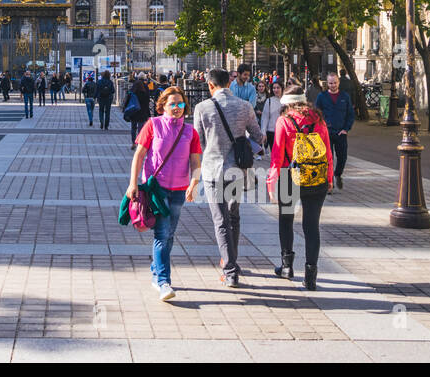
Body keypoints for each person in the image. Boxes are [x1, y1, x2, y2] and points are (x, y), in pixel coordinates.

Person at [127, 87, 202, 301]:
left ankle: (155, 270)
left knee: (169, 235)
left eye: (180, 103)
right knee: (161, 233)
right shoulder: (153, 125)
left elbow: (196, 161)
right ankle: (163, 281)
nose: (177, 107)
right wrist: (133, 183)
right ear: (163, 106)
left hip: (179, 190)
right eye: (172, 104)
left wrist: (194, 183)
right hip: (156, 190)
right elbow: (139, 156)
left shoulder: (191, 132)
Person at [193, 66, 263, 288]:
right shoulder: (245, 106)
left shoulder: (202, 108)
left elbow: (199, 142)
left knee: (220, 220)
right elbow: (259, 137)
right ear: (229, 83)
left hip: (213, 169)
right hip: (238, 170)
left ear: (211, 85)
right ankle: (232, 261)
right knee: (233, 216)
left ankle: (230, 270)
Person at [267, 85, 333, 290]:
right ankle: (311, 275)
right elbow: (328, 151)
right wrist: (329, 177)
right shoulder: (318, 119)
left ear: (286, 103)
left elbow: (277, 156)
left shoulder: (284, 121)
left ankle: (287, 266)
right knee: (311, 226)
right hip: (317, 177)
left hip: (290, 176)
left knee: (286, 221)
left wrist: (271, 182)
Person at [314, 72, 354, 190]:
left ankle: (338, 174)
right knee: (327, 158)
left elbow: (350, 114)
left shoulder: (345, 97)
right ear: (327, 83)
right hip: (326, 132)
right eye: (331, 83)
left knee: (342, 157)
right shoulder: (322, 97)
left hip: (341, 132)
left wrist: (346, 129)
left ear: (339, 82)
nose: (333, 85)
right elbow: (317, 114)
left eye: (335, 83)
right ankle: (328, 183)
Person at [125, 74, 151, 147]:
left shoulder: (134, 87)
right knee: (141, 127)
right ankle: (140, 142)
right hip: (142, 111)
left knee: (133, 127)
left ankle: (133, 142)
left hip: (134, 110)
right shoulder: (145, 88)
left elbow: (128, 98)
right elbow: (147, 100)